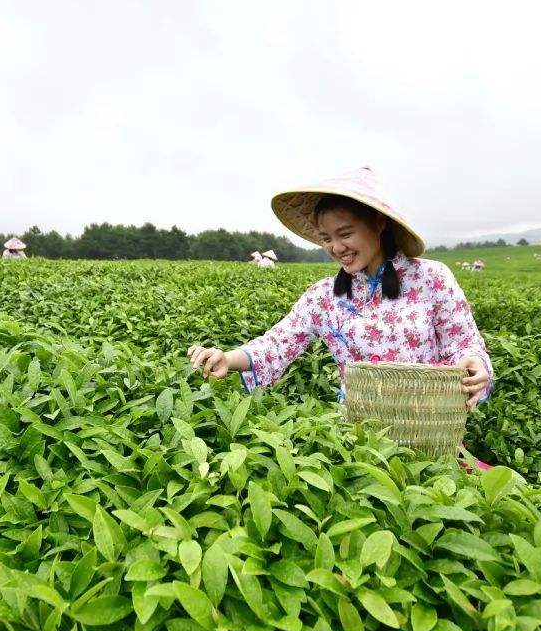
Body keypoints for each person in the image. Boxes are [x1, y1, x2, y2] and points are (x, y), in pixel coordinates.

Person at [186, 166, 494, 465]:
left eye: (345, 233)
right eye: (326, 238)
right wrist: (227, 358)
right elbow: (277, 343)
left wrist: (475, 365)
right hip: (360, 446)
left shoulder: (431, 278)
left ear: (378, 223)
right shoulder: (325, 296)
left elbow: (465, 344)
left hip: (433, 438)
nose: (336, 247)